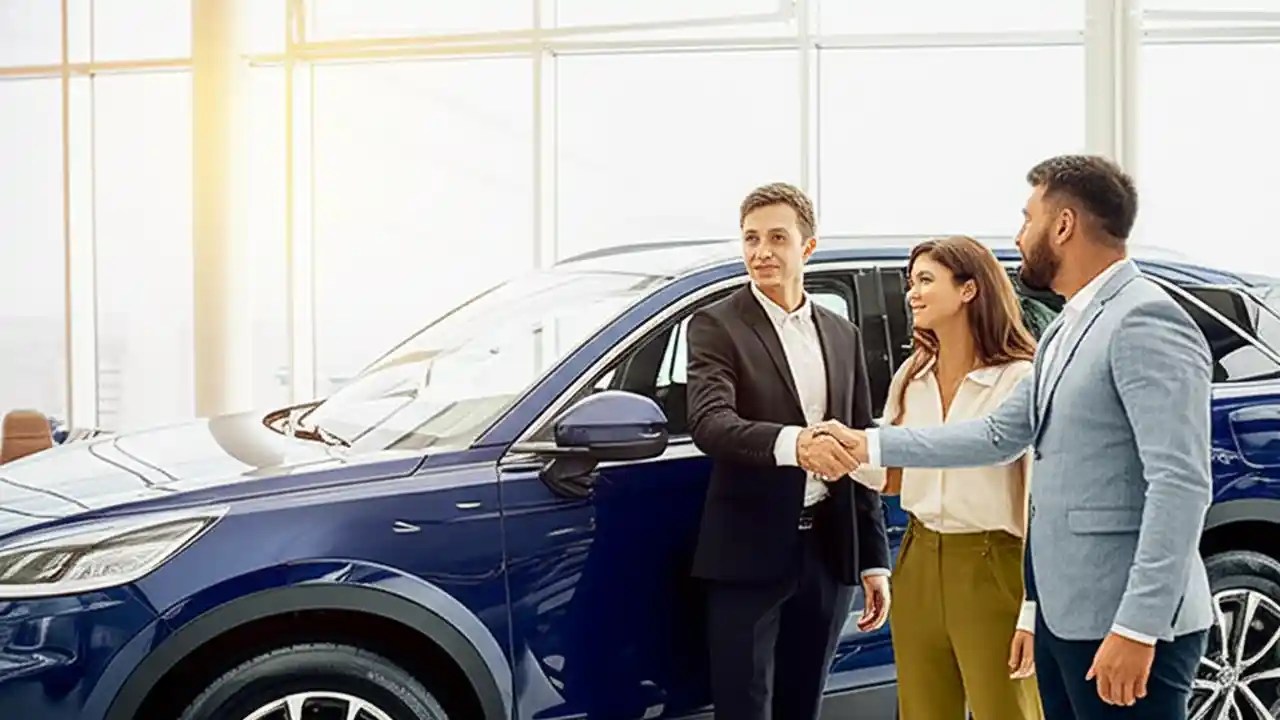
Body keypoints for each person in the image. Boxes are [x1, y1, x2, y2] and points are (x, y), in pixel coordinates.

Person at [822, 154, 1214, 719]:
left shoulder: (1144, 319)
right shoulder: (1066, 328)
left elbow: (1180, 485)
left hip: (1121, 624)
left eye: (1028, 218)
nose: (1019, 235)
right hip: (1065, 616)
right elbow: (997, 436)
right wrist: (869, 445)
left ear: (1064, 225)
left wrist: (1138, 626)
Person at [686, 182, 891, 720]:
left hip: (827, 550)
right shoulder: (716, 325)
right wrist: (795, 445)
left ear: (808, 247)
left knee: (803, 706)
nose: (761, 252)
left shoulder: (842, 334)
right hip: (747, 553)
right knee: (744, 708)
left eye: (777, 238)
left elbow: (860, 443)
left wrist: (873, 561)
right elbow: (710, 422)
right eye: (751, 238)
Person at [852, 235, 1045, 719]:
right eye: (911, 282)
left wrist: (1031, 608)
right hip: (918, 558)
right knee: (922, 712)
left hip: (993, 566)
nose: (912, 293)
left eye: (925, 280)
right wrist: (834, 451)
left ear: (968, 290)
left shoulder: (1018, 380)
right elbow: (893, 477)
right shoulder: (912, 375)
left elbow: (1038, 500)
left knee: (1008, 711)